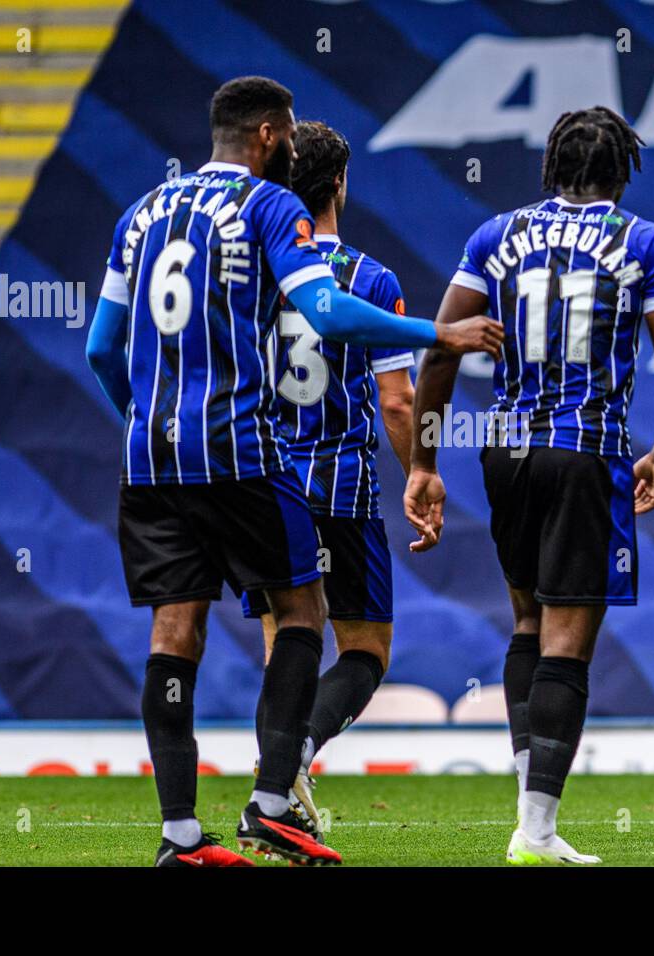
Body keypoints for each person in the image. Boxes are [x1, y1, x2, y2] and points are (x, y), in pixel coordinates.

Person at [85, 76, 501, 866]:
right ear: (272, 135)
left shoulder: (139, 214)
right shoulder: (272, 209)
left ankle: (180, 836)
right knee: (309, 615)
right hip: (248, 456)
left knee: (175, 633)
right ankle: (273, 799)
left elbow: (102, 349)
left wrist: (146, 422)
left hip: (152, 458)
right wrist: (441, 332)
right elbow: (331, 315)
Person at [405, 106, 654, 864]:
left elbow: (439, 353)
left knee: (528, 625)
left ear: (549, 165)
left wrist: (424, 460)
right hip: (585, 449)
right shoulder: (644, 241)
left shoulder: (493, 237)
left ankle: (527, 814)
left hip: (505, 451)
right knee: (569, 640)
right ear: (622, 172)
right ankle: (535, 831)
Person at [240, 121, 417, 839]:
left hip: (261, 479)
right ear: (340, 183)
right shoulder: (371, 280)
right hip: (340, 487)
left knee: (283, 640)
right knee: (366, 650)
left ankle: (276, 787)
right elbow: (399, 401)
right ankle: (289, 768)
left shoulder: (252, 276)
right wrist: (420, 478)